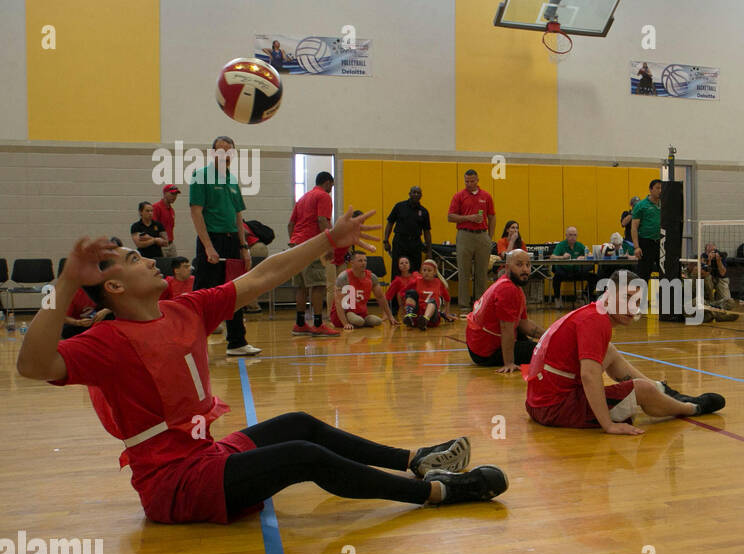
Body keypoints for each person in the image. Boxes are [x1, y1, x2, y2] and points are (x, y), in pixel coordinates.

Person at [15, 210, 507, 525]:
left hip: (204, 455)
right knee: (300, 455)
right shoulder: (108, 340)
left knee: (297, 423)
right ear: (115, 289)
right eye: (131, 259)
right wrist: (65, 280)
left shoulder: (183, 309)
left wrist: (328, 239)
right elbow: (32, 365)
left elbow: (264, 274)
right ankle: (436, 492)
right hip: (174, 485)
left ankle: (413, 457)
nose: (149, 261)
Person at [525, 270, 726, 433]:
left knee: (609, 351)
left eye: (637, 302)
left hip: (539, 402)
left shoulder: (591, 311)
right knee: (641, 390)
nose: (633, 307)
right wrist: (608, 425)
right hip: (554, 408)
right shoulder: (596, 320)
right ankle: (691, 408)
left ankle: (662, 390)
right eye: (627, 298)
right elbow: (589, 375)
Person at [190, 135, 258, 356]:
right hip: (212, 240)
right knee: (205, 293)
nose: (225, 155)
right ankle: (193, 343)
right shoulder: (201, 176)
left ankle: (237, 342)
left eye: (229, 151)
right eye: (220, 150)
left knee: (234, 291)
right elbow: (196, 212)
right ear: (213, 154)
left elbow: (238, 215)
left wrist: (244, 246)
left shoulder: (232, 179)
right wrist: (208, 246)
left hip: (232, 242)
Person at [467, 250, 545, 372]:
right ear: (508, 267)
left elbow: (523, 324)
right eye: (519, 265)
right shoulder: (507, 289)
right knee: (543, 352)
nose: (525, 269)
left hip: (476, 345)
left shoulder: (513, 286)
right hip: (485, 352)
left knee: (543, 345)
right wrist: (509, 363)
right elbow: (506, 329)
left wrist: (548, 336)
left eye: (528, 265)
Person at [288, 171, 338, 337]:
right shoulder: (323, 196)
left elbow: (291, 224)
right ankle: (318, 324)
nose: (332, 188)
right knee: (318, 284)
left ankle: (300, 323)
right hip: (312, 244)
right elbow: (322, 220)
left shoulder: (303, 198)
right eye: (332, 184)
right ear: (327, 182)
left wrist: (294, 243)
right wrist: (329, 244)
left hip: (296, 244)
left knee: (301, 286)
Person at [447, 171, 496, 309]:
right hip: (464, 235)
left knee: (482, 272)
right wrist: (469, 218)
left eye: (472, 181)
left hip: (482, 235)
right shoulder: (459, 196)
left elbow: (492, 216)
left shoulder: (486, 196)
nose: (469, 184)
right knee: (464, 271)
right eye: (466, 181)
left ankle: (480, 304)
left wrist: (490, 236)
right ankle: (463, 304)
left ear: (477, 180)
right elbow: (450, 217)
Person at [332, 250, 398, 330]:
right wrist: (345, 323)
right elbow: (338, 303)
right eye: (360, 261)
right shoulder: (343, 277)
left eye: (365, 260)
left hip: (360, 313)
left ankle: (363, 321)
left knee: (377, 321)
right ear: (352, 263)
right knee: (358, 321)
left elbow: (381, 297)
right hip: (345, 312)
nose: (364, 263)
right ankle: (357, 321)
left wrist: (390, 316)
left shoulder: (372, 277)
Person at [384, 186, 432, 283]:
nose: (416, 194)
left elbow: (427, 231)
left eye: (418, 193)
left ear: (421, 196)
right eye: (413, 192)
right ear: (409, 194)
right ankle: (394, 297)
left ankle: (412, 296)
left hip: (415, 244)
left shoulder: (424, 211)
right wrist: (386, 240)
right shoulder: (399, 206)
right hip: (400, 242)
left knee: (414, 272)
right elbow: (390, 223)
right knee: (397, 270)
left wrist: (429, 251)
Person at [402, 259, 456, 330]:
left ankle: (425, 319)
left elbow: (447, 298)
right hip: (418, 314)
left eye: (429, 271)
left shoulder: (438, 283)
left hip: (432, 316)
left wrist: (447, 313)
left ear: (434, 272)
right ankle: (409, 316)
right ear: (421, 271)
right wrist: (403, 308)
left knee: (432, 301)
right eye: (424, 270)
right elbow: (403, 293)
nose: (426, 273)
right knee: (411, 293)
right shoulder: (417, 281)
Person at [550, 226, 596, 306]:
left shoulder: (579, 245)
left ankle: (585, 294)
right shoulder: (561, 245)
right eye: (570, 235)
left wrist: (584, 257)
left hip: (577, 271)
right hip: (564, 272)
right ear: (566, 236)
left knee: (594, 277)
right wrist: (562, 257)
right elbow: (552, 257)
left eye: (574, 235)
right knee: (556, 278)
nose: (572, 237)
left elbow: (590, 255)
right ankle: (557, 297)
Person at [630, 179, 663, 281]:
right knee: (644, 274)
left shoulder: (664, 204)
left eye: (661, 188)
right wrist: (636, 247)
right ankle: (641, 296)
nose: (660, 190)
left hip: (661, 242)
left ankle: (665, 296)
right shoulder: (641, 205)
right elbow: (634, 227)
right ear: (650, 189)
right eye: (657, 188)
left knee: (664, 272)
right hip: (646, 242)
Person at [695, 242, 735, 309]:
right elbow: (705, 274)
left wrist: (718, 260)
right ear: (706, 251)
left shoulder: (720, 256)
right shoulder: (703, 257)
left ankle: (717, 303)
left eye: (713, 251)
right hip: (709, 280)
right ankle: (711, 301)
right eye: (710, 251)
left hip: (721, 279)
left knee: (728, 300)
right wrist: (709, 261)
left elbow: (723, 273)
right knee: (708, 278)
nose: (712, 253)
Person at [155, 184, 181, 257]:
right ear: (164, 193)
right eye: (172, 194)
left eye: (176, 194)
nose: (174, 197)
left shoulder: (171, 210)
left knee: (176, 266)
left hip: (171, 244)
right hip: (161, 245)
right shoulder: (156, 207)